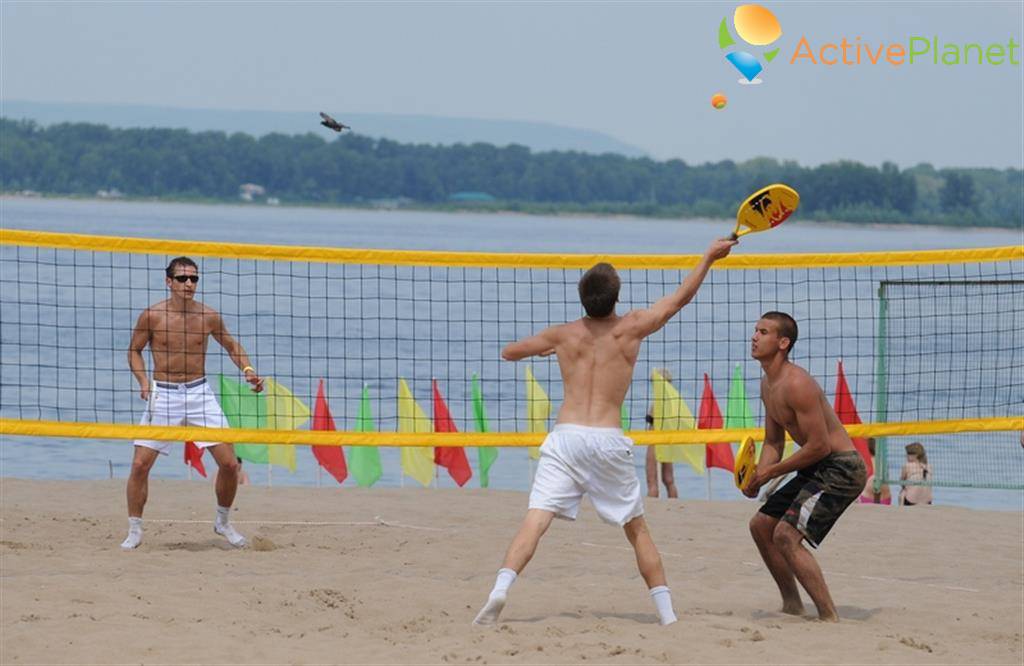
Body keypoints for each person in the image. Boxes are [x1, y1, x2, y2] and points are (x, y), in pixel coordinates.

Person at [472, 237, 737, 626]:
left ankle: (500, 590)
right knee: (636, 528)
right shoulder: (631, 328)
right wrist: (709, 257)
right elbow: (679, 299)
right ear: (616, 298)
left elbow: (509, 352)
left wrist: (549, 349)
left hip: (566, 438)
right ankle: (667, 616)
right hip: (607, 439)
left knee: (536, 519)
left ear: (582, 298)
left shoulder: (563, 335)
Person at [123, 256, 263, 550]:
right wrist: (144, 382)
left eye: (194, 279)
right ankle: (135, 529)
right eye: (183, 279)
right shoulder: (152, 315)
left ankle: (222, 522)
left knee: (228, 464)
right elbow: (134, 351)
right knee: (139, 465)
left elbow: (232, 346)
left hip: (199, 393)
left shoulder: (208, 316)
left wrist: (248, 371)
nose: (189, 284)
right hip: (163, 392)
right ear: (168, 281)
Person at [744, 312, 867, 622]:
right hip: (817, 466)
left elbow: (819, 445)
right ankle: (792, 604)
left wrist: (771, 473)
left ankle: (829, 616)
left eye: (763, 332)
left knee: (786, 535)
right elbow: (773, 442)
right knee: (760, 526)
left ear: (783, 343)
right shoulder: (767, 384)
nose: (754, 337)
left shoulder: (797, 383)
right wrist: (758, 474)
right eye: (755, 330)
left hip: (842, 468)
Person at [645, 368, 678, 499]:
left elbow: (651, 424)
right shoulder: (672, 402)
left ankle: (652, 505)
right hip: (668, 441)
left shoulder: (658, 402)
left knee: (652, 481)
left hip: (655, 441)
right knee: (668, 479)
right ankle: (674, 504)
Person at [858, 438, 891, 505]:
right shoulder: (883, 462)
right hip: (885, 493)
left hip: (868, 491)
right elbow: (887, 477)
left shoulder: (864, 461)